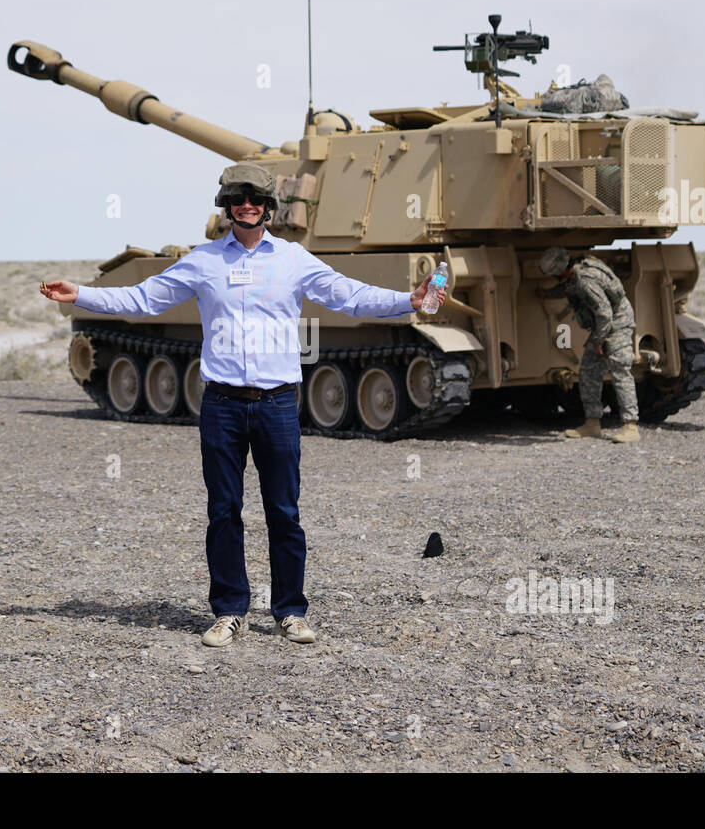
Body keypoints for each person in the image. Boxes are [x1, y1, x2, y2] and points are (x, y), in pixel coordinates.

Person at [40, 161, 433, 647]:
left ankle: (290, 611)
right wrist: (81, 295)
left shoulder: (293, 259)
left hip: (277, 406)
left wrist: (406, 300)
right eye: (236, 198)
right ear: (225, 207)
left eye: (255, 198)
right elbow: (144, 300)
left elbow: (349, 297)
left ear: (270, 208)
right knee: (223, 511)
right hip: (222, 405)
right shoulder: (203, 261)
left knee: (283, 511)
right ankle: (229, 611)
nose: (246, 205)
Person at [536, 246, 640, 443]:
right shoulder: (577, 271)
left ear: (559, 271)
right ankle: (592, 425)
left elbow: (604, 313)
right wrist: (547, 294)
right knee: (589, 372)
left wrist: (599, 340)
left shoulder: (585, 279)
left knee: (620, 370)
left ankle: (631, 426)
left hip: (617, 323)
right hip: (603, 326)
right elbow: (568, 289)